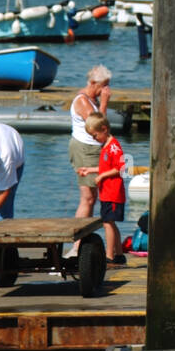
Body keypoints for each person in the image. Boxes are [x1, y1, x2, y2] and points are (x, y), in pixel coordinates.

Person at [77, 112, 127, 266]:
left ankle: (109, 255)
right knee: (110, 223)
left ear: (104, 129)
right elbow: (106, 167)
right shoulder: (105, 146)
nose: (94, 139)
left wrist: (102, 176)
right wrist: (90, 170)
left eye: (95, 135)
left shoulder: (114, 147)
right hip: (106, 193)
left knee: (107, 223)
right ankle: (119, 254)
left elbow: (121, 168)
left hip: (113, 193)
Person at [69, 64, 112, 228]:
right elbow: (96, 125)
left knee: (92, 197)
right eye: (104, 85)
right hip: (85, 149)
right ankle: (78, 238)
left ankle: (84, 235)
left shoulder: (93, 99)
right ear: (93, 83)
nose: (106, 89)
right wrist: (105, 103)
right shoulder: (83, 101)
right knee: (87, 197)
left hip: (93, 149)